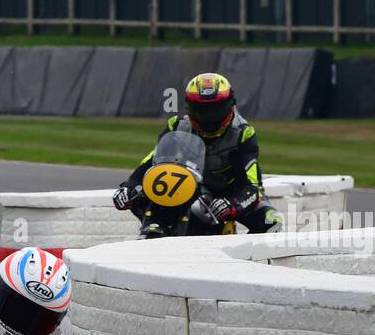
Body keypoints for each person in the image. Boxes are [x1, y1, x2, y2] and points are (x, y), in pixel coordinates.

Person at [113, 72, 282, 235]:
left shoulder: (243, 134)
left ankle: (242, 259)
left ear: (230, 104)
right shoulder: (177, 126)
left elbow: (252, 186)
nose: (208, 117)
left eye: (215, 109)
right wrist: (128, 186)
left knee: (271, 222)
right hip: (190, 186)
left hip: (230, 192)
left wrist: (232, 204)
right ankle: (153, 230)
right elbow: (152, 162)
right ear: (189, 107)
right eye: (201, 110)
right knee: (141, 195)